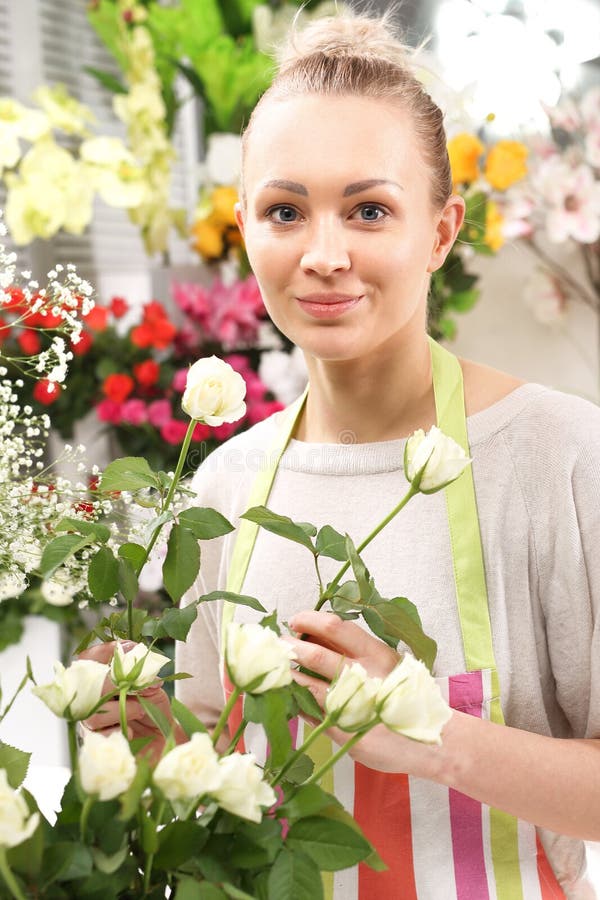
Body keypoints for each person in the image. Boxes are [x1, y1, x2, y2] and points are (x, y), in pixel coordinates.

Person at [85, 10, 600, 899]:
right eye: (285, 211)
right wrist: (150, 736)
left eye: (369, 210)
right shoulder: (227, 484)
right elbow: (220, 795)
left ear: (441, 232)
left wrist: (432, 734)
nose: (324, 255)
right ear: (245, 228)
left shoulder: (557, 455)